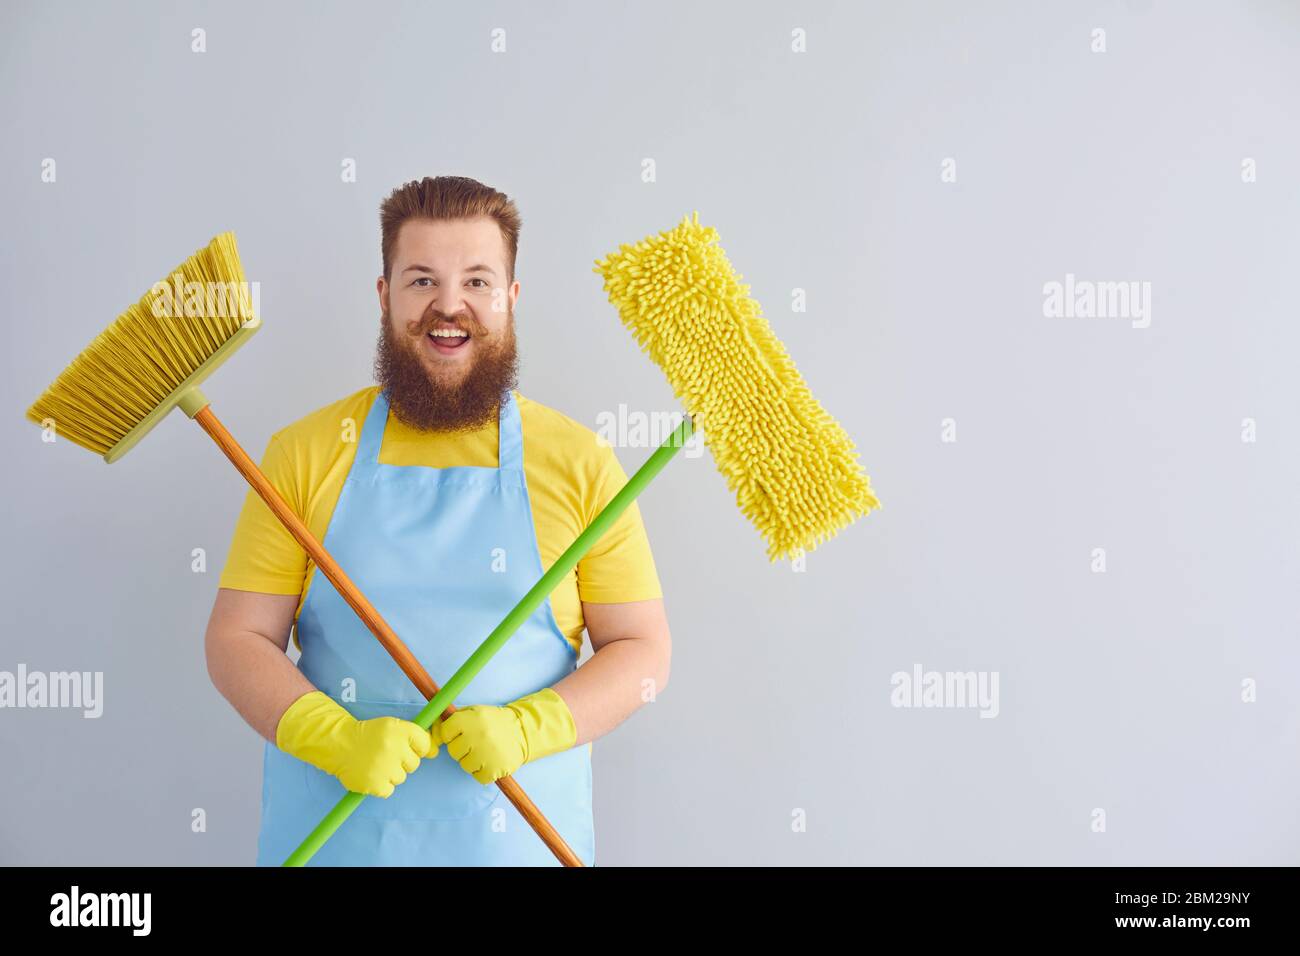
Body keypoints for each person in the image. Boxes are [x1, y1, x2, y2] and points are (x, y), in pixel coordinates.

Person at [204, 175, 671, 866]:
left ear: (511, 300)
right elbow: (236, 637)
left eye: (478, 281)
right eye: (421, 280)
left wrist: (528, 728)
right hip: (337, 841)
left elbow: (643, 651)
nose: (449, 306)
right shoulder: (302, 454)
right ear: (385, 295)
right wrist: (333, 736)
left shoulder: (582, 465)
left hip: (519, 847)